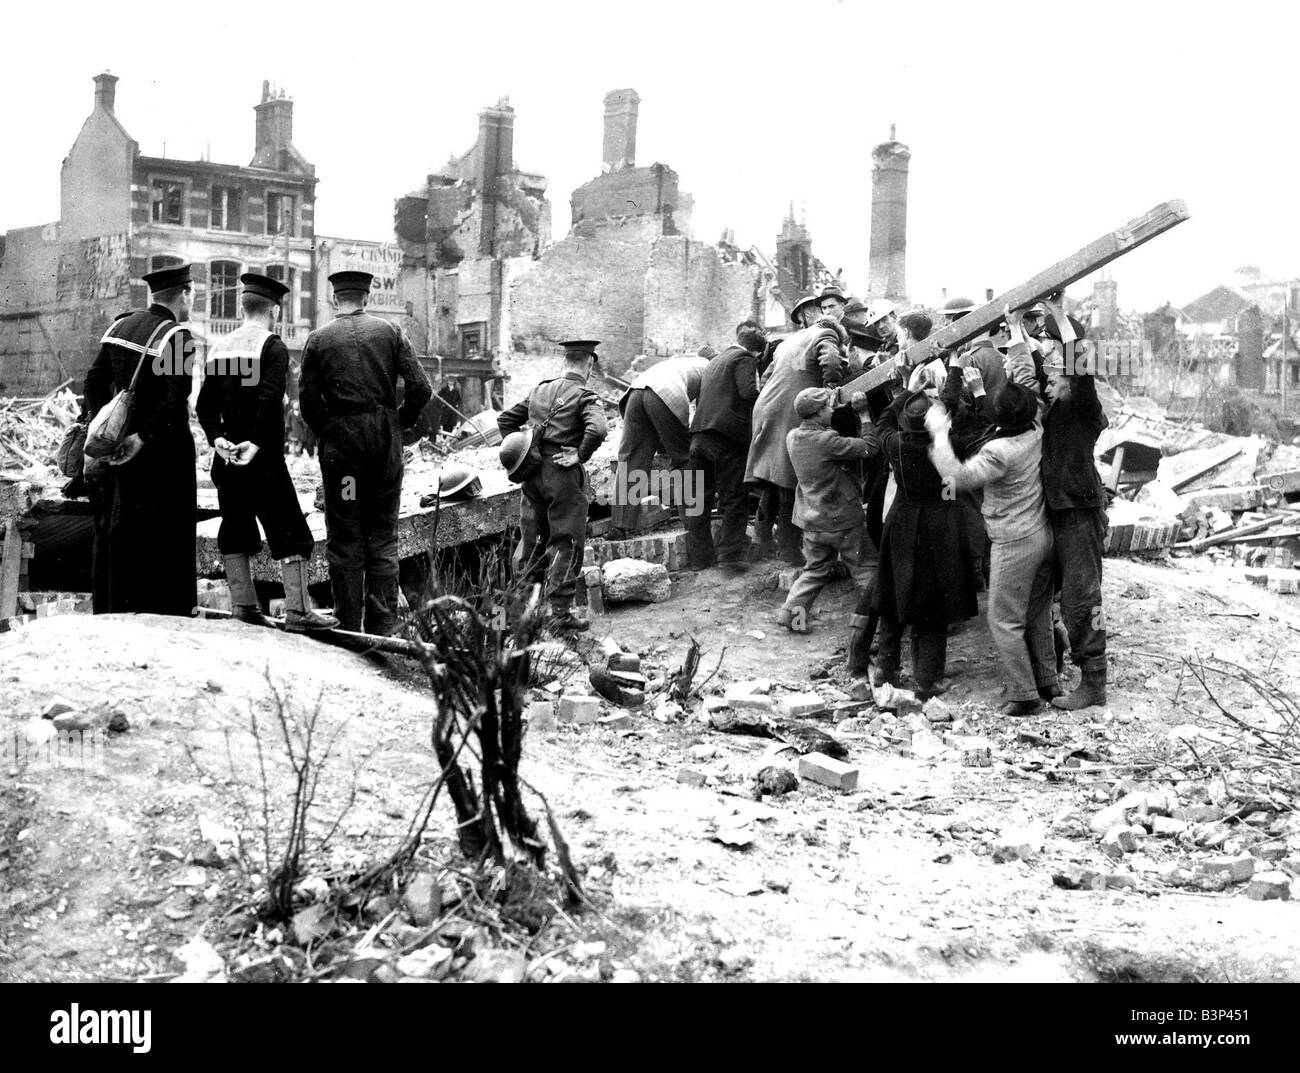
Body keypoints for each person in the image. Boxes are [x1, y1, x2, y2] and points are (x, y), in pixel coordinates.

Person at [196, 272, 338, 632]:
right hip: (263, 458)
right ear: (274, 310)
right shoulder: (271, 346)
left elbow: (204, 405)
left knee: (236, 526)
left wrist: (218, 440)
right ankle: (298, 612)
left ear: (243, 307)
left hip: (227, 458)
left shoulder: (219, 347)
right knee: (290, 530)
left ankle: (243, 607)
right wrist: (256, 443)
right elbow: (269, 397)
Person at [299, 270, 433, 635]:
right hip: (384, 449)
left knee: (345, 534)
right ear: (367, 297)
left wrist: (333, 430)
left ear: (333, 299)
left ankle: (348, 624)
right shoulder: (390, 333)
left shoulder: (319, 340)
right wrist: (396, 422)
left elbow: (308, 405)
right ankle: (384, 625)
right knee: (382, 534)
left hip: (344, 460)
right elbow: (421, 388)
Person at [927, 364, 1059, 716]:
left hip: (1014, 540)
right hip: (1043, 533)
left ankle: (1025, 693)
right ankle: (1049, 681)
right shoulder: (1036, 429)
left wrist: (940, 434)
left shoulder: (999, 452)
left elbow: (956, 475)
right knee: (1038, 612)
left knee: (1003, 620)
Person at [83, 262, 198, 616]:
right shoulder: (177, 336)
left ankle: (117, 608)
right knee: (167, 536)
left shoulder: (120, 326)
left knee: (123, 532)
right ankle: (168, 613)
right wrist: (142, 437)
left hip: (118, 453)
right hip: (166, 453)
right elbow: (176, 395)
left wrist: (110, 432)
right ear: (183, 295)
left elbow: (92, 384)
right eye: (191, 295)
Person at [862, 390, 980, 693]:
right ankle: (927, 678)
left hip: (902, 524)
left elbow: (884, 423)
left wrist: (905, 391)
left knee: (891, 598)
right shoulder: (950, 446)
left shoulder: (896, 445)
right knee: (934, 605)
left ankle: (886, 671)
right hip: (941, 528)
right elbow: (976, 431)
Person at [498, 339, 608, 630]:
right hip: (562, 474)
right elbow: (598, 429)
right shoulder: (586, 395)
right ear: (589, 365)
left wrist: (523, 449)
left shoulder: (540, 390)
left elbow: (505, 419)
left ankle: (520, 613)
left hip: (532, 475)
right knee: (565, 539)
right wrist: (579, 454)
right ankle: (559, 612)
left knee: (530, 539)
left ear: (565, 362)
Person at [1039, 306, 1109, 710]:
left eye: (1053, 379)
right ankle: (1072, 662)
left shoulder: (1082, 404)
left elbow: (1079, 365)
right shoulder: (1059, 407)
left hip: (1079, 511)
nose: (1047, 384)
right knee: (1070, 596)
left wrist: (1061, 318)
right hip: (1064, 508)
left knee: (1086, 597)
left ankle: (1094, 681)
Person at [746, 316, 848, 565]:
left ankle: (761, 540)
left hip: (767, 407)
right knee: (791, 478)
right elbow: (832, 362)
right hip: (789, 412)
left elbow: (767, 374)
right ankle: (789, 550)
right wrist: (829, 390)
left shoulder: (790, 340)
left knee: (772, 477)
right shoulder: (826, 334)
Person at [776, 387, 877, 632]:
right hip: (841, 520)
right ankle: (874, 627)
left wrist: (827, 411)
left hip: (812, 519)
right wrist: (864, 415)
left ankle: (792, 616)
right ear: (818, 413)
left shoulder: (793, 437)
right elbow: (869, 448)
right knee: (866, 568)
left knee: (815, 571)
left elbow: (823, 435)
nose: (831, 410)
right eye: (827, 408)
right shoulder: (828, 441)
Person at [686, 323, 767, 572]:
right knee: (734, 496)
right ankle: (730, 558)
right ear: (757, 353)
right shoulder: (744, 358)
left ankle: (699, 559)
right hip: (726, 439)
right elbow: (748, 393)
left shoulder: (715, 361)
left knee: (699, 500)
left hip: (699, 437)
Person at [610, 348, 711, 539]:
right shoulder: (709, 367)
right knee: (684, 459)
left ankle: (620, 525)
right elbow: (702, 412)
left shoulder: (683, 361)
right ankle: (692, 523)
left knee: (631, 460)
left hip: (635, 393)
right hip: (665, 395)